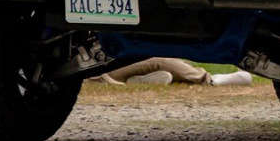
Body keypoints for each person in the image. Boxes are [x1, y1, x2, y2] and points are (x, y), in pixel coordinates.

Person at [91, 58, 252, 86]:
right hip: (103, 70)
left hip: (111, 64)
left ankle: (137, 80)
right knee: (161, 61)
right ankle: (209, 80)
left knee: (168, 63)